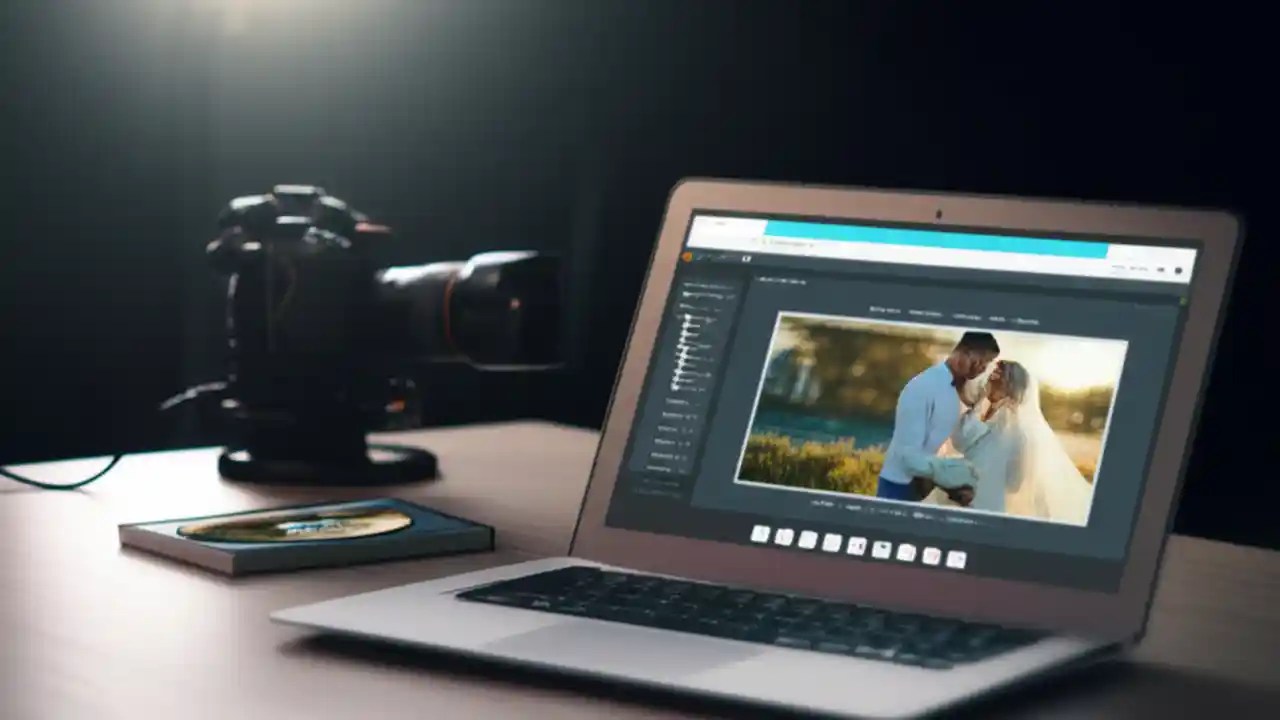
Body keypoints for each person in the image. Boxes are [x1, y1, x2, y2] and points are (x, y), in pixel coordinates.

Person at [947, 360, 1093, 523]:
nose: (989, 381)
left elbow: (1015, 483)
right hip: (959, 504)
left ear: (1010, 386)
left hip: (984, 510)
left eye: (996, 378)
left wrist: (980, 478)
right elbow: (960, 443)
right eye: (991, 377)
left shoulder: (1021, 434)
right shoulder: (988, 418)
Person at [877, 332, 1000, 503]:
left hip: (922, 489)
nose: (981, 368)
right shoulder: (923, 387)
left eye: (986, 364)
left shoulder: (959, 391)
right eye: (979, 360)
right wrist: (956, 478)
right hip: (898, 488)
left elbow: (942, 448)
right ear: (962, 351)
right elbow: (908, 456)